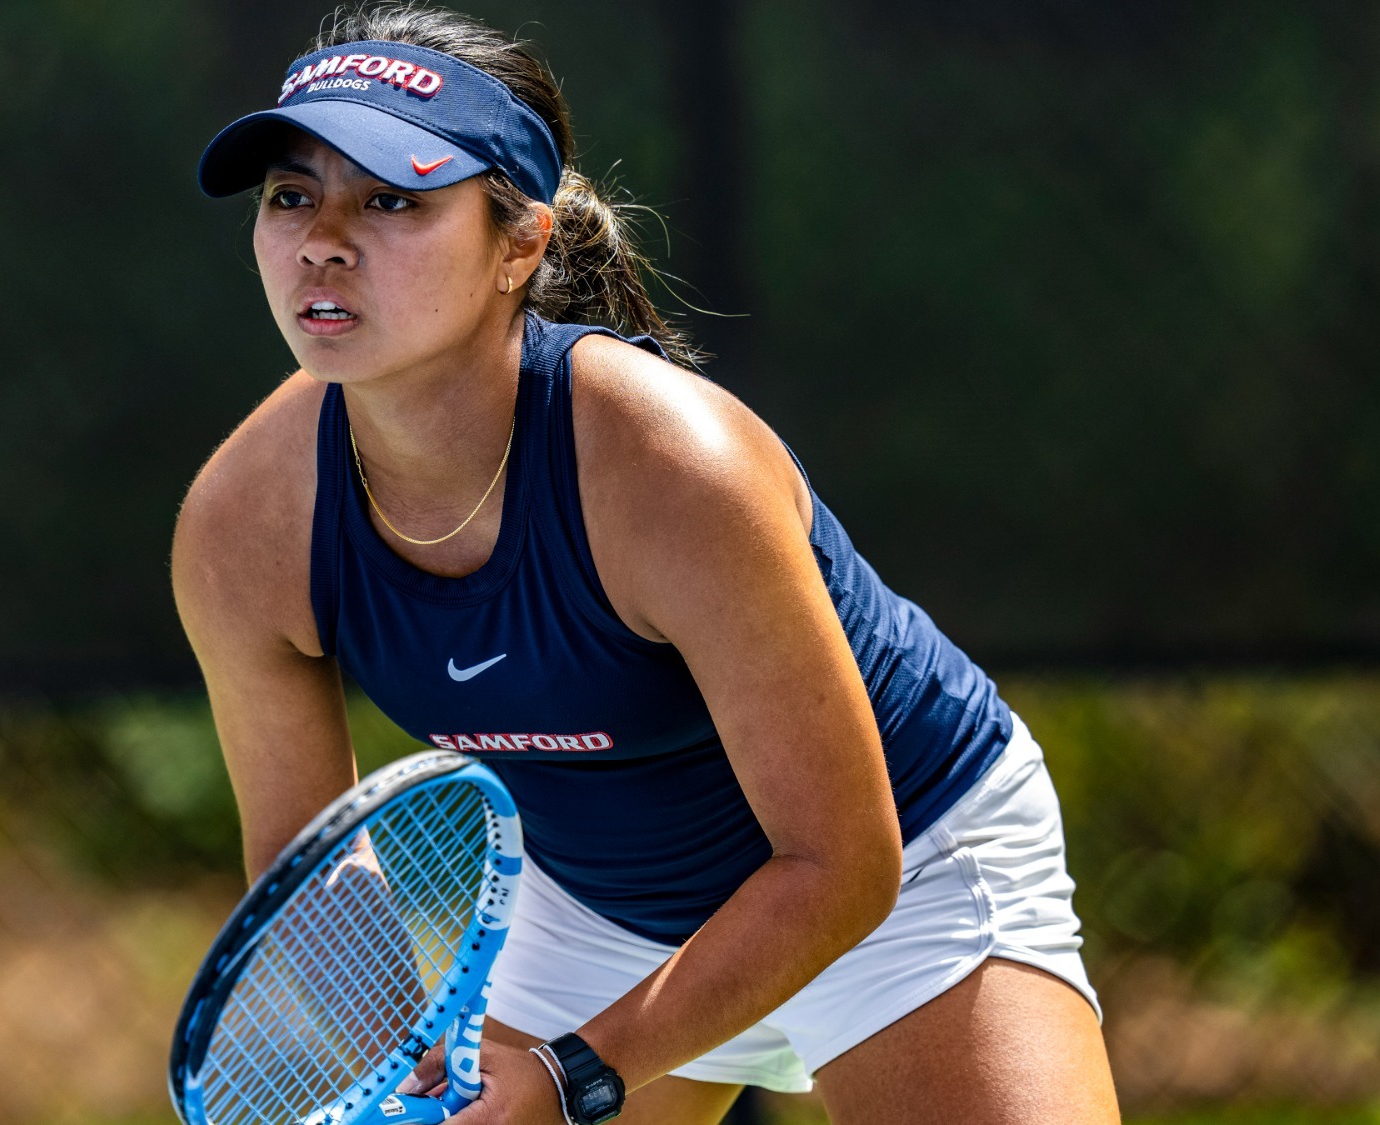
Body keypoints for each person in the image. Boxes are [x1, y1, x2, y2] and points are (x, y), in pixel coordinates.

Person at [171, 4, 1122, 1122]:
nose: (323, 238)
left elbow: (839, 864)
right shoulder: (244, 527)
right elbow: (307, 862)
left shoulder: (672, 468)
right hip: (597, 915)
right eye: (292, 196)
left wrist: (575, 1069)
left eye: (392, 198)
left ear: (517, 244)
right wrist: (413, 1070)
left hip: (903, 878)